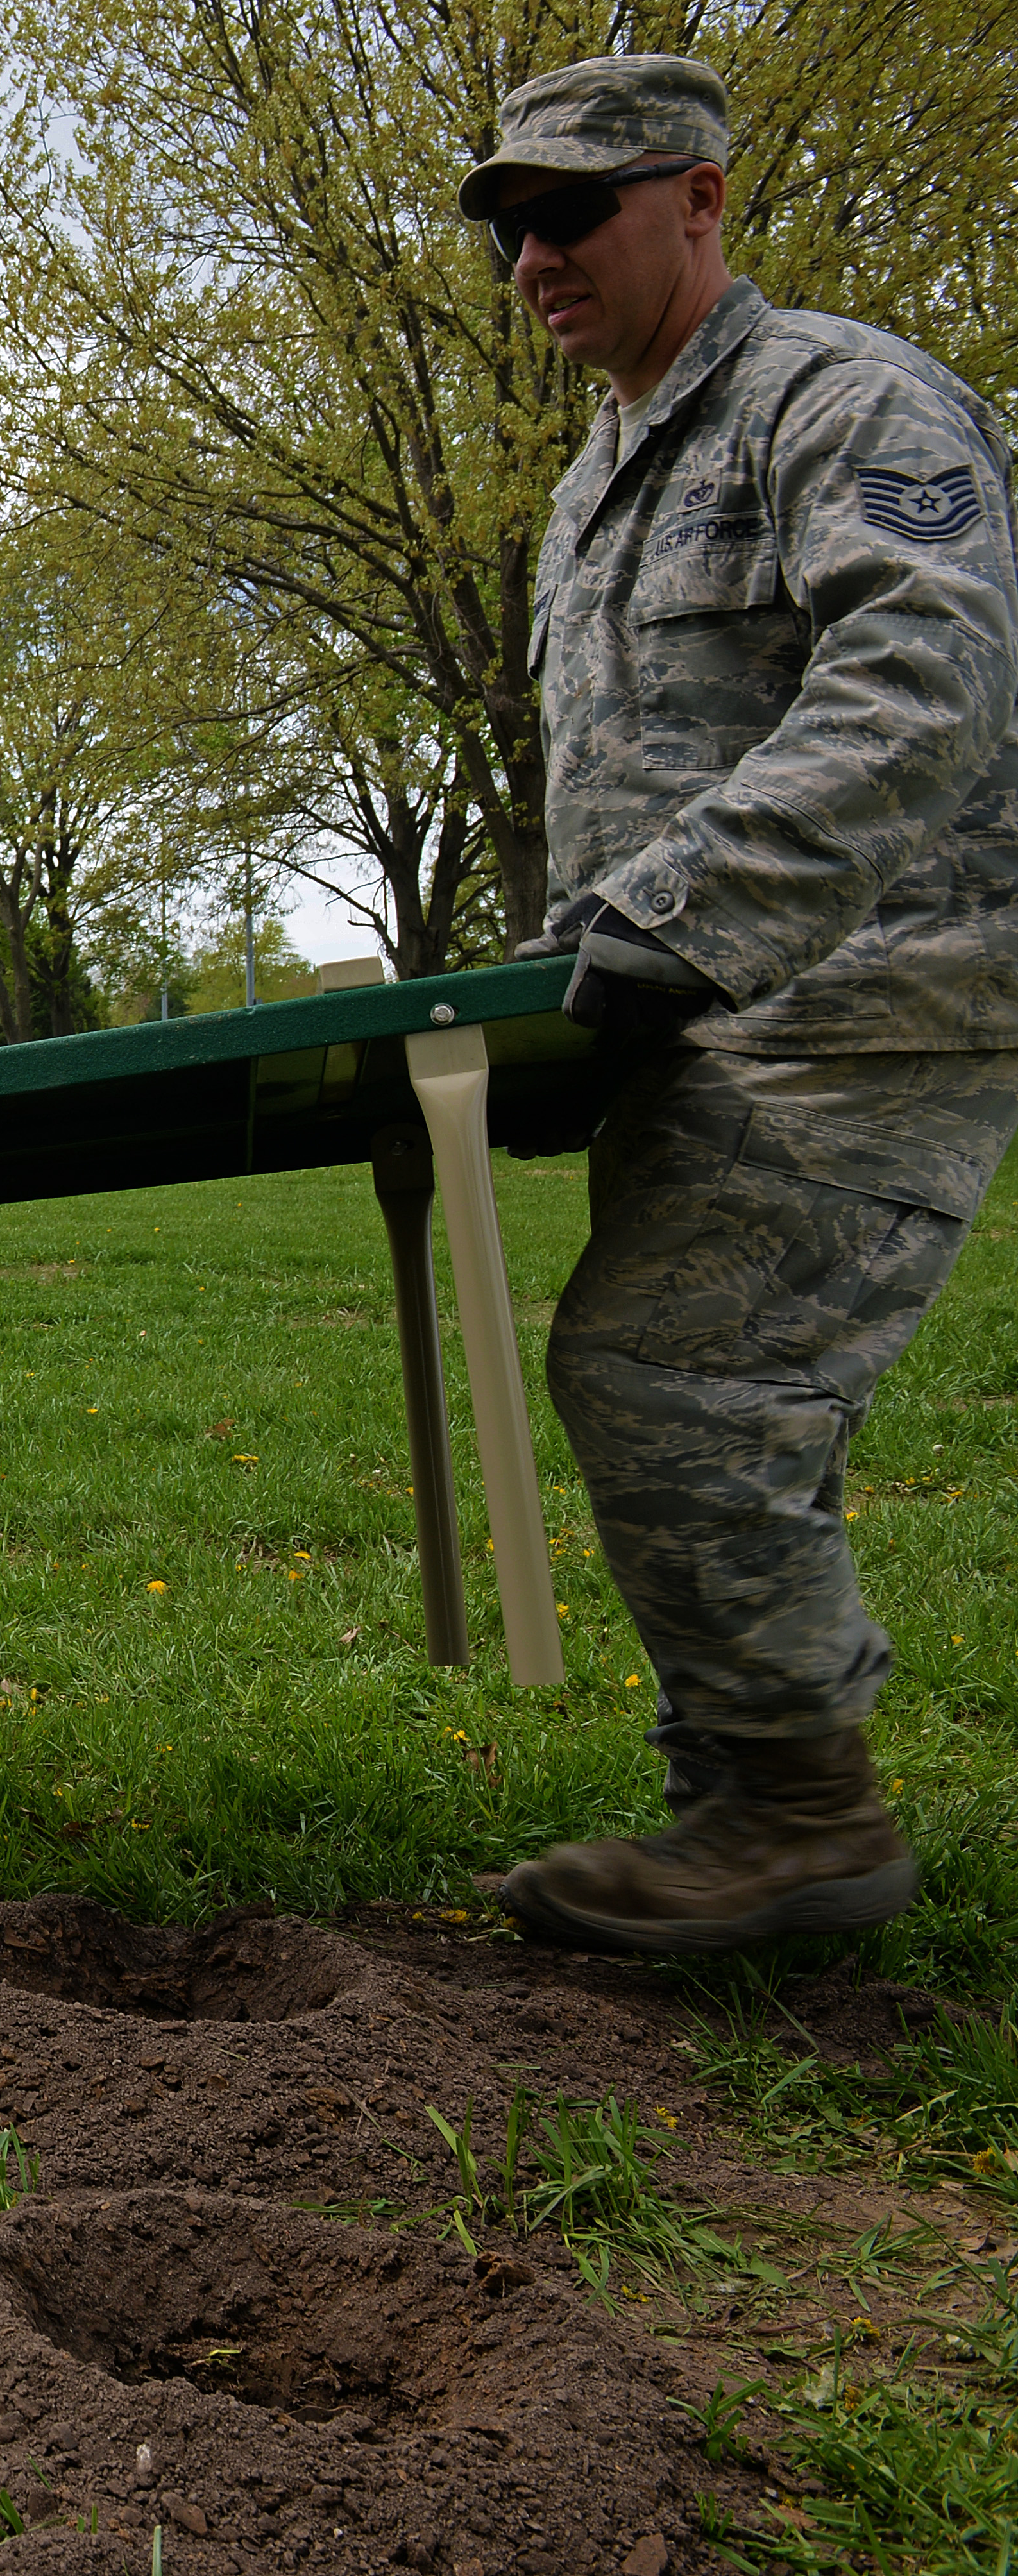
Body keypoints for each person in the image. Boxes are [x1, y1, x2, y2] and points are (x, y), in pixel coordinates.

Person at [462, 56, 1018, 1953]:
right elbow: (631, 774)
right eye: (509, 226)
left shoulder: (841, 403)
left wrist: (682, 926)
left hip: (871, 1000)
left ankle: (797, 1817)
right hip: (702, 1019)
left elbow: (925, 676)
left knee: (673, 1375)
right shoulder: (597, 478)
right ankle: (745, 1791)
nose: (536, 257)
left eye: (574, 212)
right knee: (726, 1392)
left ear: (700, 198)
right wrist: (577, 990)